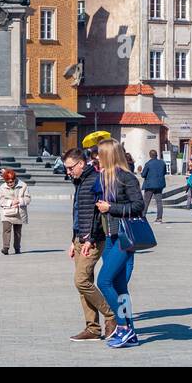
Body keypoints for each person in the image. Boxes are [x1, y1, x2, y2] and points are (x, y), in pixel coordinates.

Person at [93, 139, 145, 348]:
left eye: (99, 154)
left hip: (125, 237)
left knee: (103, 281)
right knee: (120, 286)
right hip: (110, 236)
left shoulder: (126, 177)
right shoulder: (104, 178)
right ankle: (131, 333)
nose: (97, 157)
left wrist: (110, 208)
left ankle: (123, 326)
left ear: (108, 155)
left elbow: (139, 205)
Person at [63, 148, 115, 342]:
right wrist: (73, 240)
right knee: (84, 284)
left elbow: (97, 214)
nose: (68, 172)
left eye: (70, 168)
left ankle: (111, 315)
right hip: (79, 239)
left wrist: (90, 238)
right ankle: (92, 328)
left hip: (92, 240)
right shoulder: (80, 182)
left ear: (81, 164)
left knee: (81, 281)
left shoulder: (95, 180)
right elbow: (78, 213)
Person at [0, 168, 30, 254]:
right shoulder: (2, 187)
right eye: (7, 182)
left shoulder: (23, 185)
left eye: (11, 182)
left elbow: (28, 199)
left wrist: (19, 201)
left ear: (15, 179)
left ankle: (17, 248)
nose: (10, 184)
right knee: (6, 230)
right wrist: (11, 202)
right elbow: (0, 200)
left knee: (17, 232)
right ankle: (5, 248)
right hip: (6, 212)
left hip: (19, 212)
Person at [140, 149, 166, 222]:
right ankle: (159, 218)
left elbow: (143, 175)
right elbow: (164, 172)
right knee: (159, 202)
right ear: (156, 155)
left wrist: (141, 172)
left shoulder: (148, 163)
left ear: (150, 156)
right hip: (159, 184)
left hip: (149, 185)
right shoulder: (162, 163)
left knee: (146, 201)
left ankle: (143, 216)